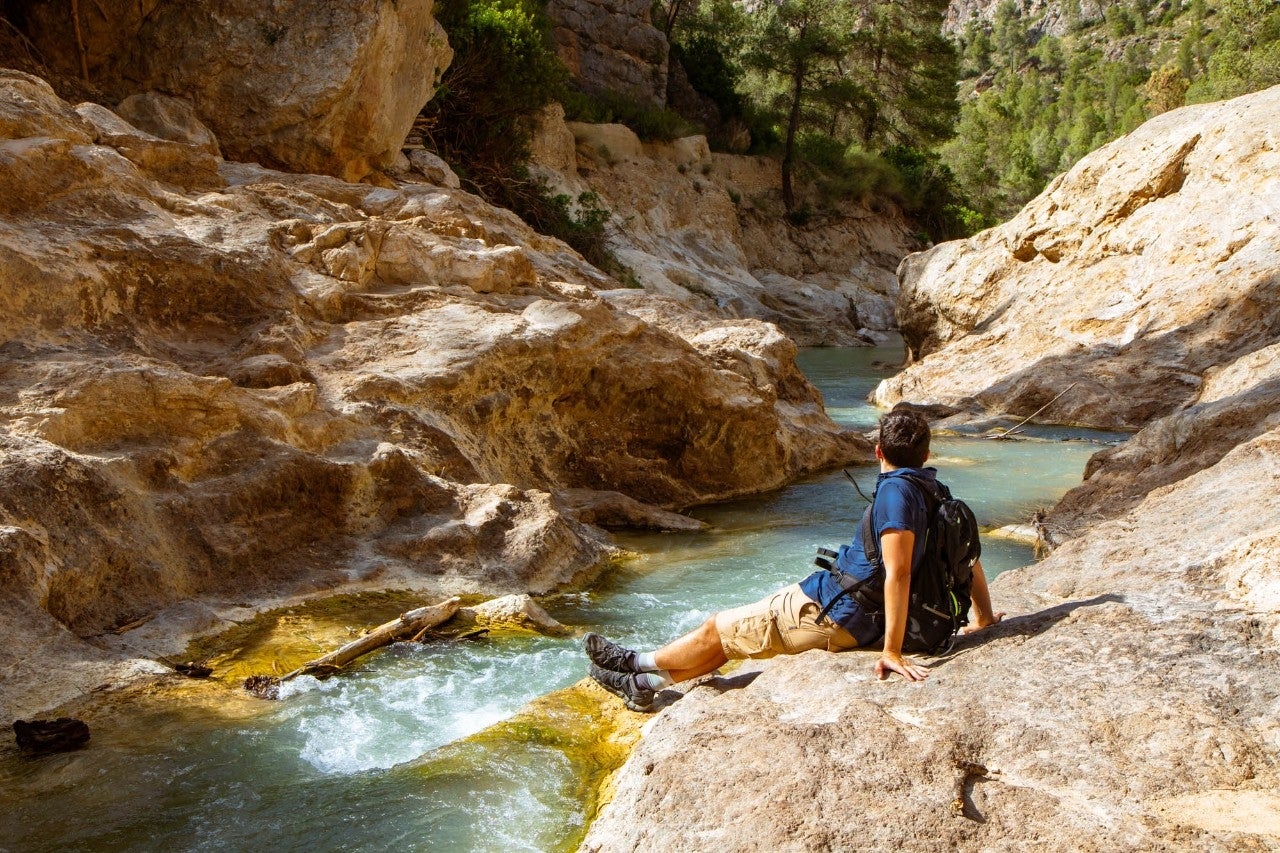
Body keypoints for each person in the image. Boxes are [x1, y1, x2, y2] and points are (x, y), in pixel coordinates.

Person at [584, 408, 1005, 712]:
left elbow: (897, 573)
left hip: (843, 611)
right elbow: (967, 559)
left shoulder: (896, 493)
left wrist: (891, 652)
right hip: (861, 606)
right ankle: (643, 684)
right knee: (735, 639)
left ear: (878, 452)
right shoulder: (937, 492)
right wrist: (982, 618)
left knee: (719, 628)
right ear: (927, 455)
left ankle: (634, 662)